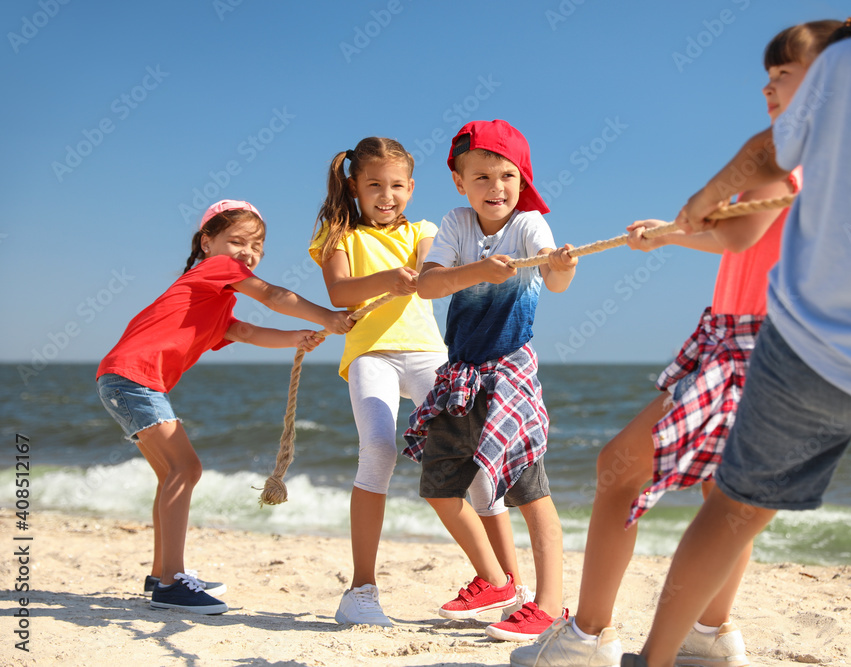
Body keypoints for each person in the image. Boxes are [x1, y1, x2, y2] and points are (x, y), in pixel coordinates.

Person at [619, 1, 851, 665]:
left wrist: (706, 197)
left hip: (804, 354)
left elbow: (770, 149)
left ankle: (654, 658)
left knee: (735, 504)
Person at [510, 15, 851, 667]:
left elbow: (736, 234)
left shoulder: (780, 155)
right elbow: (747, 234)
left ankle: (588, 636)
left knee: (617, 468)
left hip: (751, 348)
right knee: (720, 495)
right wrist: (673, 231)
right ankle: (710, 633)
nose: (769, 88)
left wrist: (679, 228)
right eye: (767, 76)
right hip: (767, 343)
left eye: (785, 75)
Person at [309, 137, 530, 627]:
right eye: (374, 186)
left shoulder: (425, 230)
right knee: (380, 450)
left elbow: (440, 270)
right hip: (372, 354)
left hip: (430, 353)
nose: (386, 197)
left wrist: (480, 270)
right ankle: (360, 591)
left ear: (411, 188)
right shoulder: (338, 235)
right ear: (354, 187)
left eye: (396, 187)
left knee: (472, 460)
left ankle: (510, 588)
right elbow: (339, 291)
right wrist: (388, 278)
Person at [96, 199, 354, 615]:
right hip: (133, 379)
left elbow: (246, 331)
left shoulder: (213, 300)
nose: (247, 254)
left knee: (170, 473)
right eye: (237, 241)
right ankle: (170, 583)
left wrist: (296, 337)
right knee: (186, 469)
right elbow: (271, 294)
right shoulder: (215, 270)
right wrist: (328, 317)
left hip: (126, 380)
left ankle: (162, 572)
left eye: (257, 248)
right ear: (207, 242)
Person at [402, 119, 577, 641]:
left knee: (529, 491)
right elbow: (430, 287)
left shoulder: (529, 226)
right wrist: (480, 272)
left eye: (506, 175)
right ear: (460, 182)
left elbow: (558, 281)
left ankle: (550, 606)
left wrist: (561, 264)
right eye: (481, 177)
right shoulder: (456, 223)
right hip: (460, 373)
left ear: (521, 181)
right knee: (438, 484)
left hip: (509, 373)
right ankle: (497, 580)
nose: (495, 187)